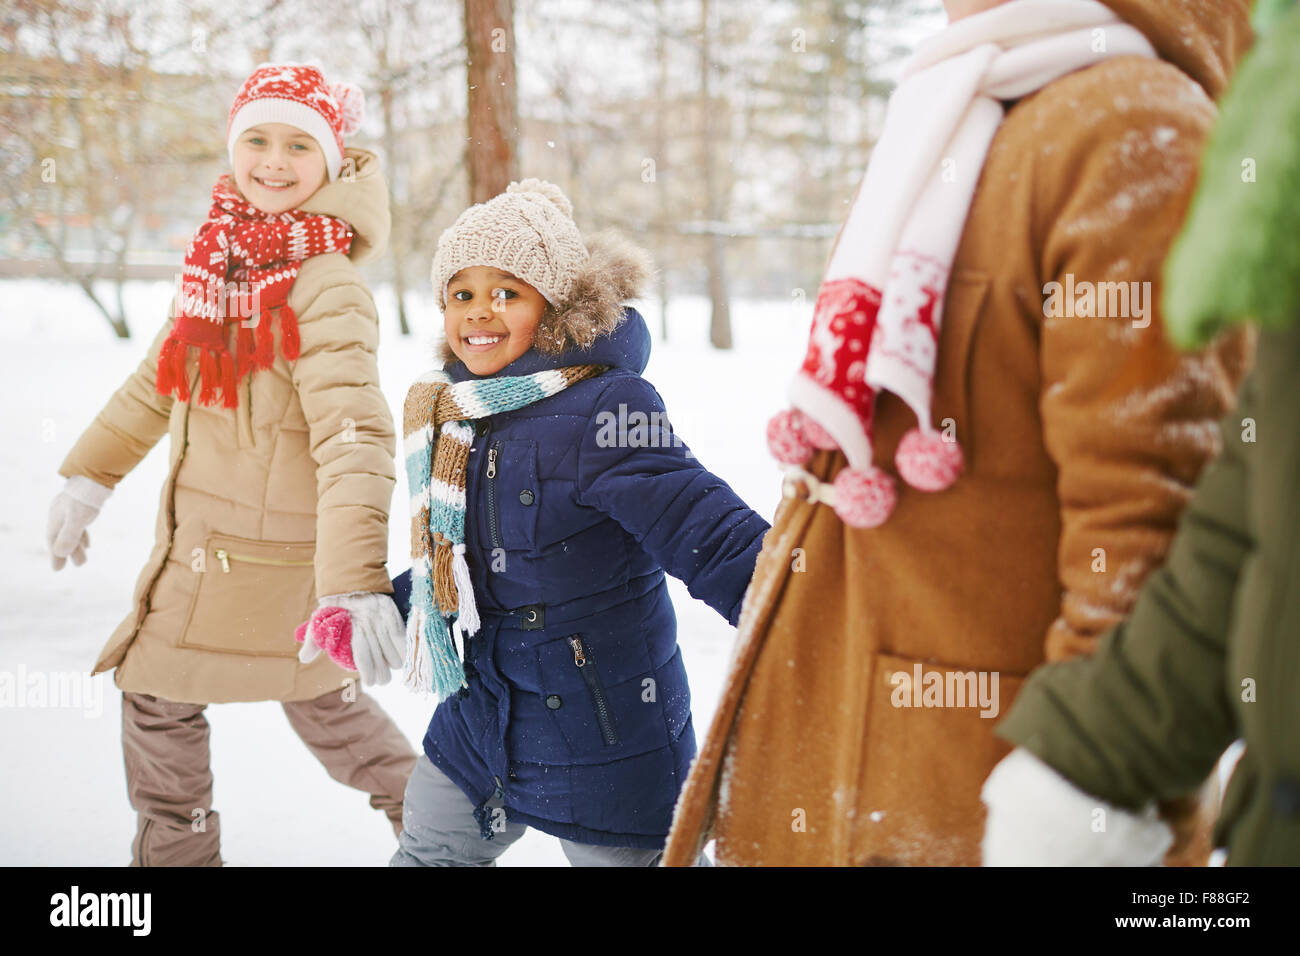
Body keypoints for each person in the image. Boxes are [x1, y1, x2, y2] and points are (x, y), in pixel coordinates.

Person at [663, 0, 1255, 866]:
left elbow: (1156, 538)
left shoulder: (1135, 126)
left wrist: (1073, 799)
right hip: (856, 786)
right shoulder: (971, 104)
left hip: (978, 809)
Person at [45, 63, 416, 866]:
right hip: (227, 546)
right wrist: (90, 475)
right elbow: (159, 381)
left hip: (254, 557)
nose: (274, 160)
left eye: (297, 145)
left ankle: (180, 859)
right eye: (257, 138)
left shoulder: (326, 284)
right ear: (232, 147)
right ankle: (438, 827)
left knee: (155, 692)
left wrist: (356, 581)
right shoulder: (220, 259)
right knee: (326, 702)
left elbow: (354, 432)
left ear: (329, 162)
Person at [982, 0, 1300, 866]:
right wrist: (1077, 774)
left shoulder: (1127, 121)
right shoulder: (969, 107)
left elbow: (1138, 519)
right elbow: (1236, 540)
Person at [386, 179, 768, 866]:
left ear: (556, 306)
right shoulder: (459, 414)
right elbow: (461, 561)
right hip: (481, 719)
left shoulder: (608, 408)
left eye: (506, 292)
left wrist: (793, 593)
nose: (478, 312)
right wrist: (391, 606)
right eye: (460, 293)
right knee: (428, 852)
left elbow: (696, 518)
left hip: (605, 730)